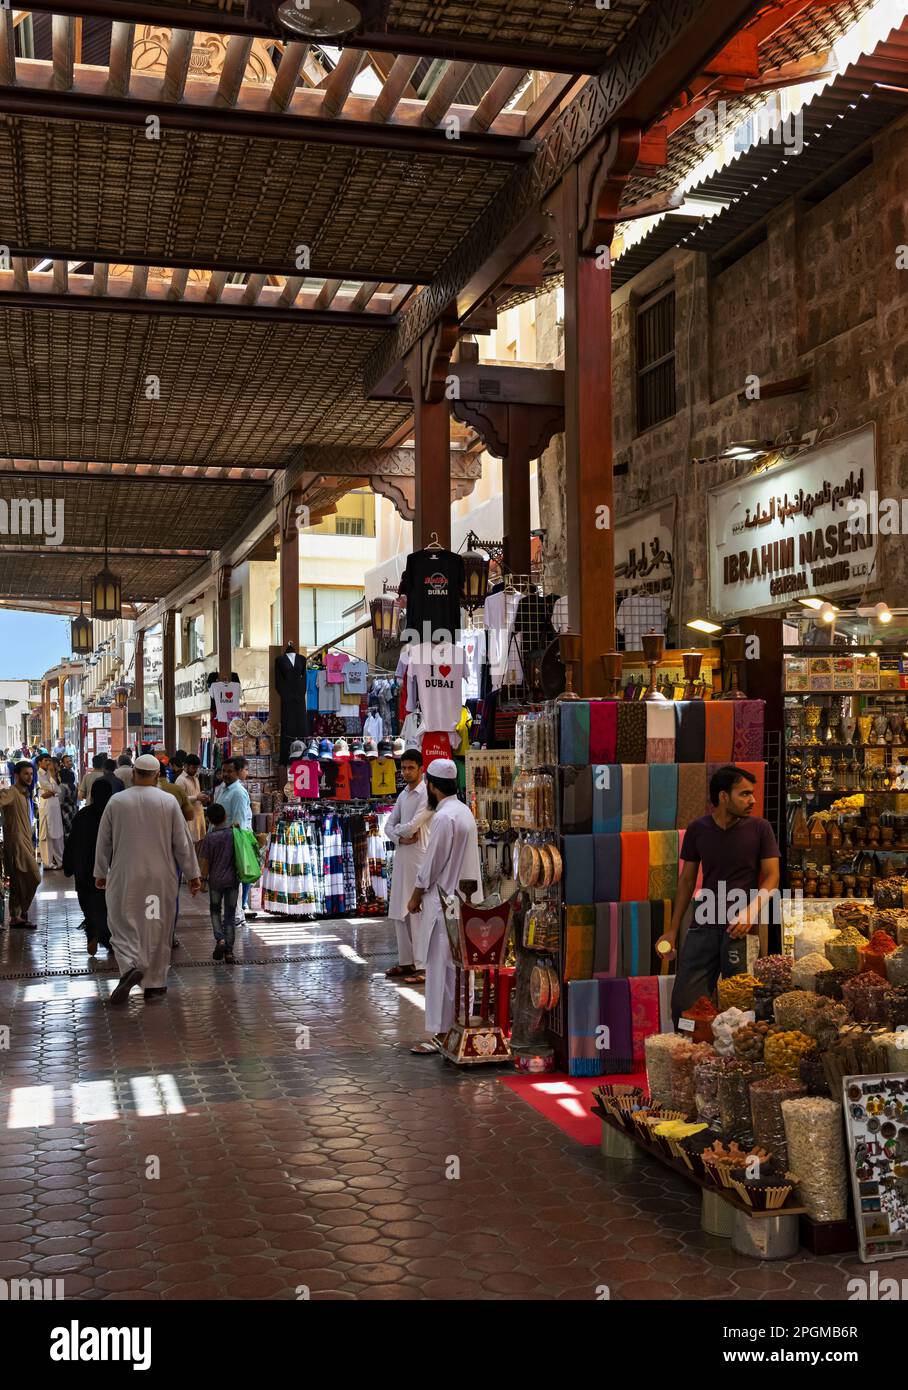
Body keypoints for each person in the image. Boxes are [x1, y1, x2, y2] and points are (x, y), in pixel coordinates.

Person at [655, 764, 781, 1026]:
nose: (753, 800)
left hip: (742, 926)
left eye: (752, 794)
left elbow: (772, 877)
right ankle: (690, 1049)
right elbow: (687, 881)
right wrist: (671, 930)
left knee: (741, 1001)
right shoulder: (697, 829)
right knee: (684, 1002)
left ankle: (736, 1059)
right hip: (704, 920)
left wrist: (751, 910)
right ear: (723, 797)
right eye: (744, 794)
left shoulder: (761, 828)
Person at [94, 754, 201, 1004]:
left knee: (122, 923)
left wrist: (100, 872)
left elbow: (103, 841)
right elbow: (182, 843)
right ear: (156, 776)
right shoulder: (167, 801)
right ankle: (155, 984)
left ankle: (129, 966)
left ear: (134, 773)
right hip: (159, 879)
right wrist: (193, 874)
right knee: (156, 926)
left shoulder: (117, 801)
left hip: (126, 876)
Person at [407, 757, 482, 1055]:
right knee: (462, 970)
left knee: (440, 970)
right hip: (466, 905)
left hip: (444, 905)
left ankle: (441, 1033)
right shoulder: (464, 812)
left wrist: (414, 895)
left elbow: (431, 864)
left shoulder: (442, 818)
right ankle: (459, 1026)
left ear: (433, 787)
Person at [384, 748, 432, 985]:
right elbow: (388, 826)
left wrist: (400, 831)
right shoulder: (403, 795)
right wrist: (400, 837)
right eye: (403, 768)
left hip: (419, 858)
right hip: (403, 856)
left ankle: (422, 965)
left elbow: (414, 825)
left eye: (411, 767)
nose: (406, 772)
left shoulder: (426, 794)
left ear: (420, 768)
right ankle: (406, 961)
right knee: (399, 913)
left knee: (417, 913)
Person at [63, 778, 116, 959]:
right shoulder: (113, 814)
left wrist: (68, 866)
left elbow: (72, 841)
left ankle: (92, 933)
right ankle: (108, 938)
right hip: (107, 870)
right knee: (107, 907)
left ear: (92, 794)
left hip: (84, 870)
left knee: (88, 905)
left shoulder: (83, 814)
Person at [214, 758, 256, 922]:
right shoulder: (223, 789)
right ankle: (234, 913)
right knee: (229, 880)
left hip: (232, 841)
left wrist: (235, 846)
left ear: (237, 773)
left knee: (233, 881)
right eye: (223, 771)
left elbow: (238, 822)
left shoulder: (238, 792)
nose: (225, 774)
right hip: (222, 840)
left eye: (229, 771)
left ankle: (237, 915)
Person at [0, 761, 41, 928]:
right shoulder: (11, 792)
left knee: (17, 881)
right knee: (34, 876)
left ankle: (16, 917)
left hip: (26, 842)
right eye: (26, 774)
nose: (29, 777)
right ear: (16, 775)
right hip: (16, 844)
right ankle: (21, 911)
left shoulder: (25, 794)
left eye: (31, 774)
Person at [197, 802, 239, 963]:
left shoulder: (209, 838)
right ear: (225, 817)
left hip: (215, 881)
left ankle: (220, 939)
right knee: (229, 915)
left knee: (215, 911)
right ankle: (229, 952)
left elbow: (206, 862)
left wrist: (203, 881)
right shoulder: (233, 834)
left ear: (209, 821)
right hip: (232, 880)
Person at [36, 753, 65, 869]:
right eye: (46, 760)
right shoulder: (38, 775)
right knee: (47, 835)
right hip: (46, 807)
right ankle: (48, 863)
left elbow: (58, 790)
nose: (48, 762)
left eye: (49, 760)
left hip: (54, 806)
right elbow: (52, 789)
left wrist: (51, 791)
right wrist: (52, 791)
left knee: (57, 834)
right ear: (39, 762)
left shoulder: (50, 773)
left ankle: (60, 861)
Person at [176, 753, 207, 842]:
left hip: (199, 814)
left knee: (199, 842)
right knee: (190, 843)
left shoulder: (195, 778)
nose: (196, 770)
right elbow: (180, 799)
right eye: (194, 768)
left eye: (197, 768)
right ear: (186, 766)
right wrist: (196, 797)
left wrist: (203, 798)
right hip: (189, 817)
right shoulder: (180, 780)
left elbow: (197, 794)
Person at [55, 756, 78, 844]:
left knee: (65, 832)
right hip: (73, 810)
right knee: (71, 830)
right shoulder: (73, 786)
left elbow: (60, 802)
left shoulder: (63, 786)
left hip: (65, 811)